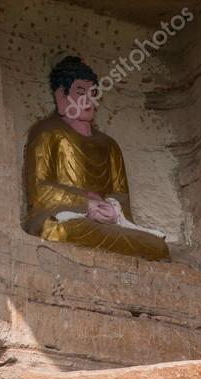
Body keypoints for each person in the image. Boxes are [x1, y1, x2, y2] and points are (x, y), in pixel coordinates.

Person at [21, 56, 170, 261]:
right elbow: (39, 190)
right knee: (60, 232)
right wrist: (85, 203)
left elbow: (121, 194)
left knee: (157, 246)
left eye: (93, 94)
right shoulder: (47, 133)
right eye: (81, 93)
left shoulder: (109, 145)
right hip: (67, 218)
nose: (89, 102)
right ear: (62, 97)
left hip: (106, 224)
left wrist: (112, 208)